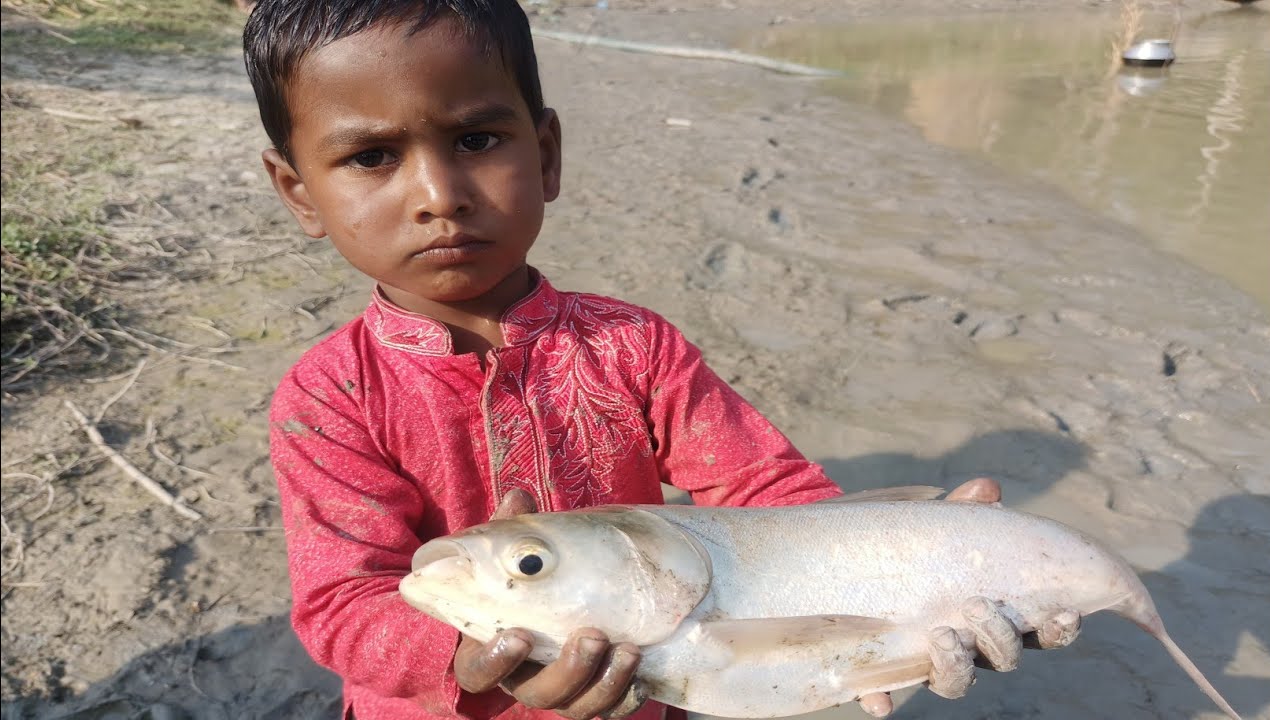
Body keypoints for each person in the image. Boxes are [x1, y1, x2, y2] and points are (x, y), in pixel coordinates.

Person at [242, 3, 1081, 719]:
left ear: (546, 153)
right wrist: (472, 657)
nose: (439, 195)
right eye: (372, 157)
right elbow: (344, 602)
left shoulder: (632, 345)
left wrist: (918, 559)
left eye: (477, 139)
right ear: (299, 192)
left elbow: (767, 491)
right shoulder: (330, 398)